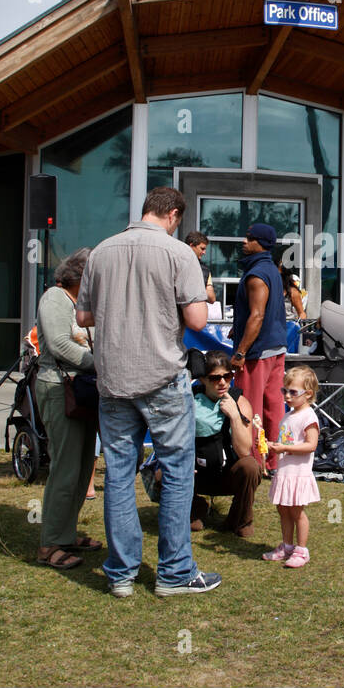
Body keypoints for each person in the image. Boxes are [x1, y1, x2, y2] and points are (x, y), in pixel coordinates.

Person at [76, 187, 219, 597]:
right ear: (173, 214)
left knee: (118, 474)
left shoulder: (101, 251)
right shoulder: (179, 254)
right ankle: (174, 572)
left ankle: (121, 574)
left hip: (114, 379)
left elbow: (84, 314)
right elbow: (195, 319)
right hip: (161, 377)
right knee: (176, 471)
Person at [35, 249, 100, 571]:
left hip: (82, 390)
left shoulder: (80, 305)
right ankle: (50, 544)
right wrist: (101, 363)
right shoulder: (55, 298)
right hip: (60, 388)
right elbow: (60, 344)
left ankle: (66, 532)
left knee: (82, 464)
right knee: (65, 467)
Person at [191, 351, 263, 537]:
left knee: (250, 466)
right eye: (215, 378)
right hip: (196, 475)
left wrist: (234, 416)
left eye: (227, 376)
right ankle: (196, 507)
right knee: (160, 472)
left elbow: (244, 450)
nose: (222, 382)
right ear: (203, 380)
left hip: (228, 475)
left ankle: (240, 518)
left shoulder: (240, 402)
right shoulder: (189, 402)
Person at [230, 223, 287, 443]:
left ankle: (253, 460)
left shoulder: (256, 274)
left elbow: (257, 316)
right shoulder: (272, 269)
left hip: (257, 352)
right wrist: (238, 328)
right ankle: (274, 459)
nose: (244, 242)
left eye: (249, 238)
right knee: (273, 407)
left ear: (260, 243)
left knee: (249, 407)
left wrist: (240, 352)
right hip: (275, 347)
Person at [261, 366, 321, 568]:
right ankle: (287, 546)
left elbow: (311, 445)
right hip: (285, 471)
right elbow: (286, 440)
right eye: (284, 391)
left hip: (298, 474)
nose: (287, 396)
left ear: (308, 394)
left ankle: (302, 550)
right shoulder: (289, 415)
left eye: (293, 392)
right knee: (283, 509)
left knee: (296, 512)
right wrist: (273, 445)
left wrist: (285, 447)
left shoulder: (309, 417)